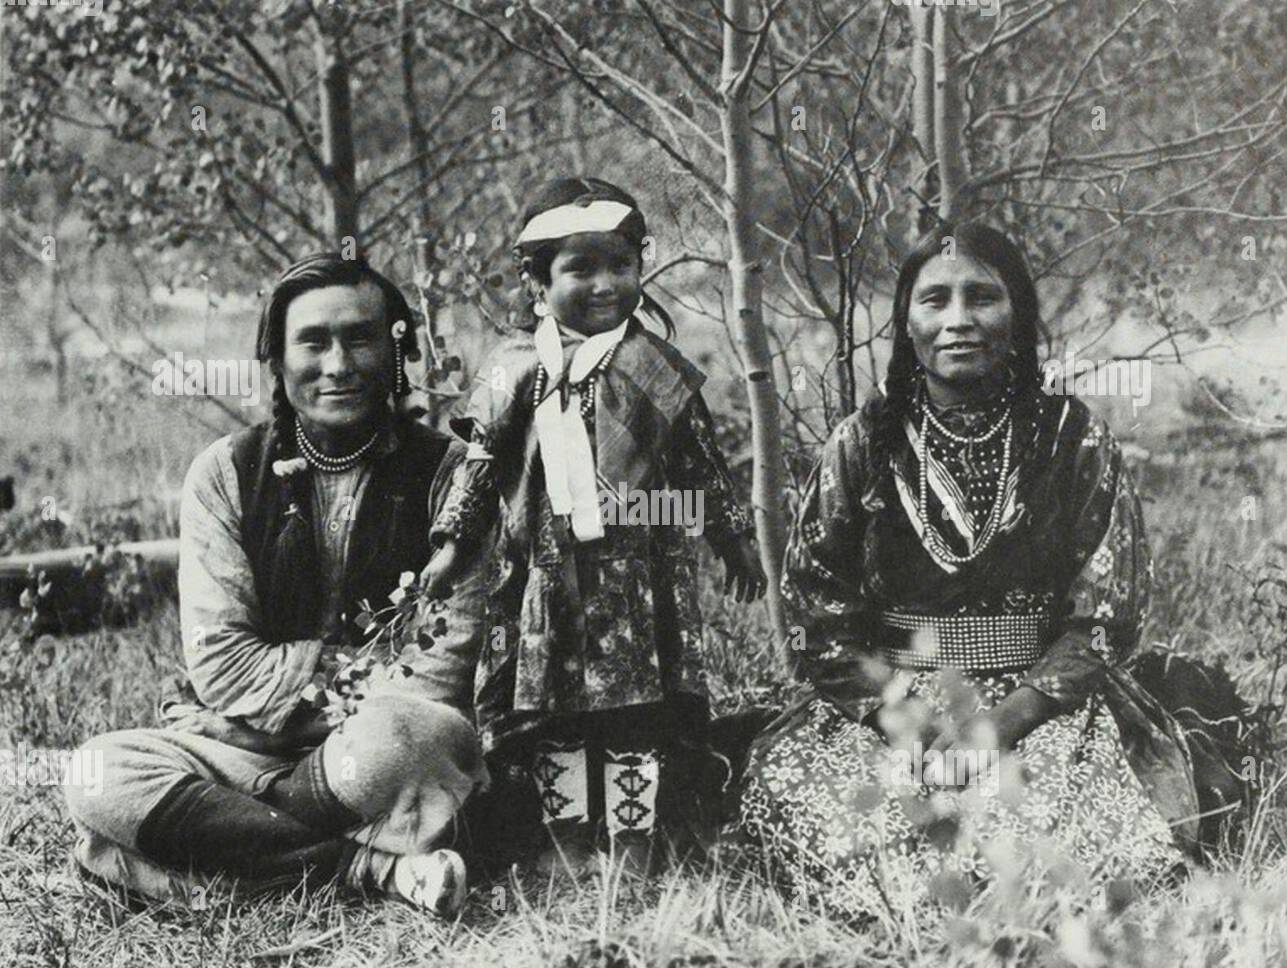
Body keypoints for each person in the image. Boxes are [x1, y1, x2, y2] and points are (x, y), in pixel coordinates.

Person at [737, 223, 1203, 922]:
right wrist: (914, 725)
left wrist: (998, 725)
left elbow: (1106, 614)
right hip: (892, 711)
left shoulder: (1072, 438)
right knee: (852, 828)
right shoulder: (863, 442)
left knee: (1059, 841)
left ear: (1017, 314)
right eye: (935, 300)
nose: (958, 320)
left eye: (982, 297)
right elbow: (820, 613)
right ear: (905, 321)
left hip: (1042, 702)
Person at [64, 253, 489, 916]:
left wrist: (306, 716)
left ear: (396, 351)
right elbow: (222, 665)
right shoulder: (223, 473)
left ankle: (203, 855)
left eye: (361, 338)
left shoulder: (452, 475)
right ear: (276, 359)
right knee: (97, 773)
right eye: (313, 342)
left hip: (375, 753)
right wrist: (335, 684)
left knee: (410, 733)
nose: (339, 365)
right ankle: (373, 869)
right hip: (245, 752)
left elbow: (442, 665)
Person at [421, 178, 767, 873]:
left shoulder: (655, 368)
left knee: (636, 713)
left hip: (637, 583)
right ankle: (568, 840)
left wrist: (733, 539)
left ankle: (632, 841)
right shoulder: (513, 370)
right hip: (547, 582)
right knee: (556, 716)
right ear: (537, 280)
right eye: (580, 268)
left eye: (621, 264)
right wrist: (454, 544)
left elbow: (702, 464)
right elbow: (478, 464)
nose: (605, 284)